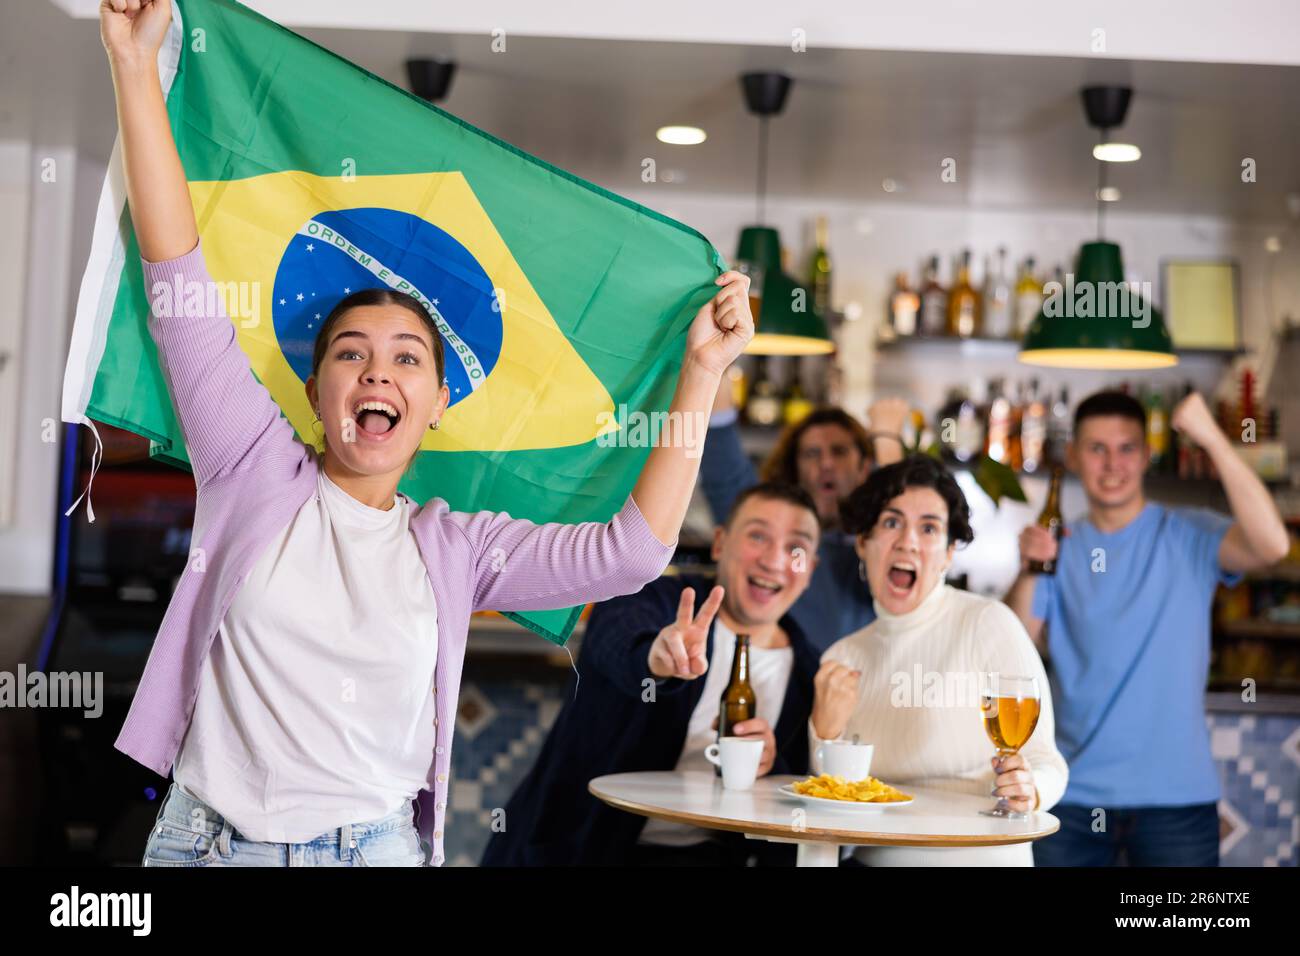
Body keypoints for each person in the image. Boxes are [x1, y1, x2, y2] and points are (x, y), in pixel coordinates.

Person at [98, 0, 754, 867]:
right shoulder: (245, 464)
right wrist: (134, 64)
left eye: (409, 359)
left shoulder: (455, 548)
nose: (378, 372)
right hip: (206, 847)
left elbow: (632, 553)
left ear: (441, 400)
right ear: (313, 385)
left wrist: (702, 373)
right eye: (351, 353)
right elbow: (176, 282)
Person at [1005, 389, 1289, 867]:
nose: (1112, 464)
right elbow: (1014, 645)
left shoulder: (1190, 532)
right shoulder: (1062, 547)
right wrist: (1031, 568)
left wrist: (1213, 438)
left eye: (1126, 448)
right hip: (1073, 795)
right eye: (1097, 448)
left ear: (1147, 455)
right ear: (1073, 456)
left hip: (1175, 800)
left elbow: (1273, 545)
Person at [481, 483, 824, 866]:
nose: (775, 560)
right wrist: (655, 659)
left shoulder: (812, 677)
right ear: (719, 544)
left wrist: (768, 768)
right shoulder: (653, 600)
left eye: (796, 548)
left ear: (810, 568)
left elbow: (789, 828)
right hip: (580, 849)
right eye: (757, 536)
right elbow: (614, 639)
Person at [812, 455, 1069, 865]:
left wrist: (1030, 787)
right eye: (891, 522)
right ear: (863, 541)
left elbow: (1046, 762)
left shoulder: (988, 624)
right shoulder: (842, 658)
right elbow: (833, 801)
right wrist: (824, 735)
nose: (908, 542)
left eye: (929, 528)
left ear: (949, 552)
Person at [702, 377, 910, 650]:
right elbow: (722, 455)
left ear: (864, 468)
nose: (825, 463)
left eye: (839, 452)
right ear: (795, 470)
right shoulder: (770, 529)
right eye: (812, 453)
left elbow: (905, 524)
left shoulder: (874, 546)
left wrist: (886, 438)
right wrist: (718, 362)